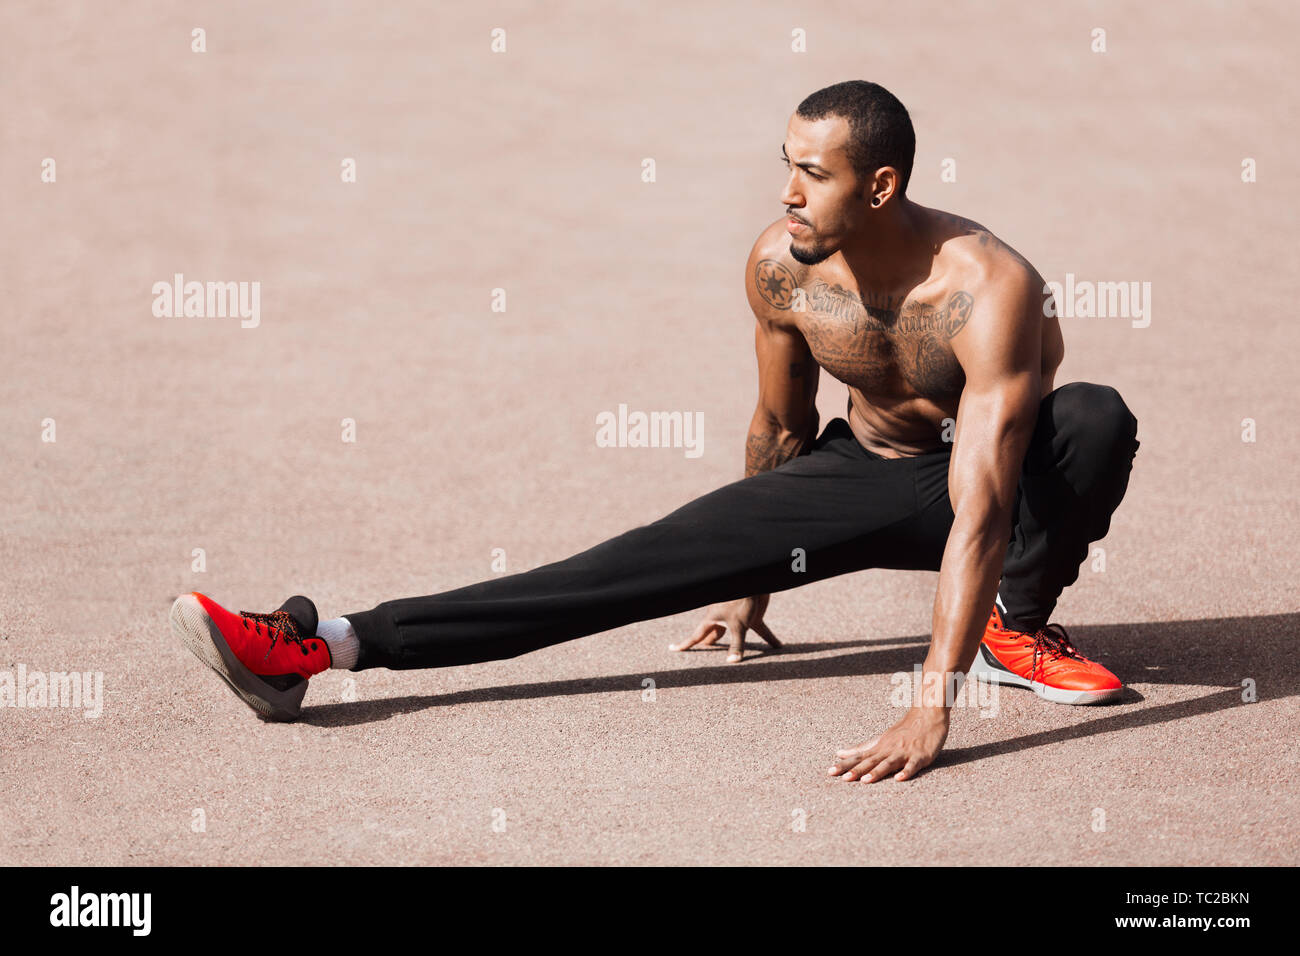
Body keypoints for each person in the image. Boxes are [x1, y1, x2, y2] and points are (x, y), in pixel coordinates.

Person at [171, 80, 1139, 784]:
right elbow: (780, 424)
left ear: (879, 186)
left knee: (1092, 417)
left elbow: (978, 506)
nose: (788, 193)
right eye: (785, 168)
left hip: (987, 493)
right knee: (620, 567)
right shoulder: (783, 265)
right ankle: (324, 644)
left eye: (813, 173)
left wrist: (930, 711)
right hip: (861, 472)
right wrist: (749, 582)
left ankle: (1011, 626)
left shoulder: (986, 287)